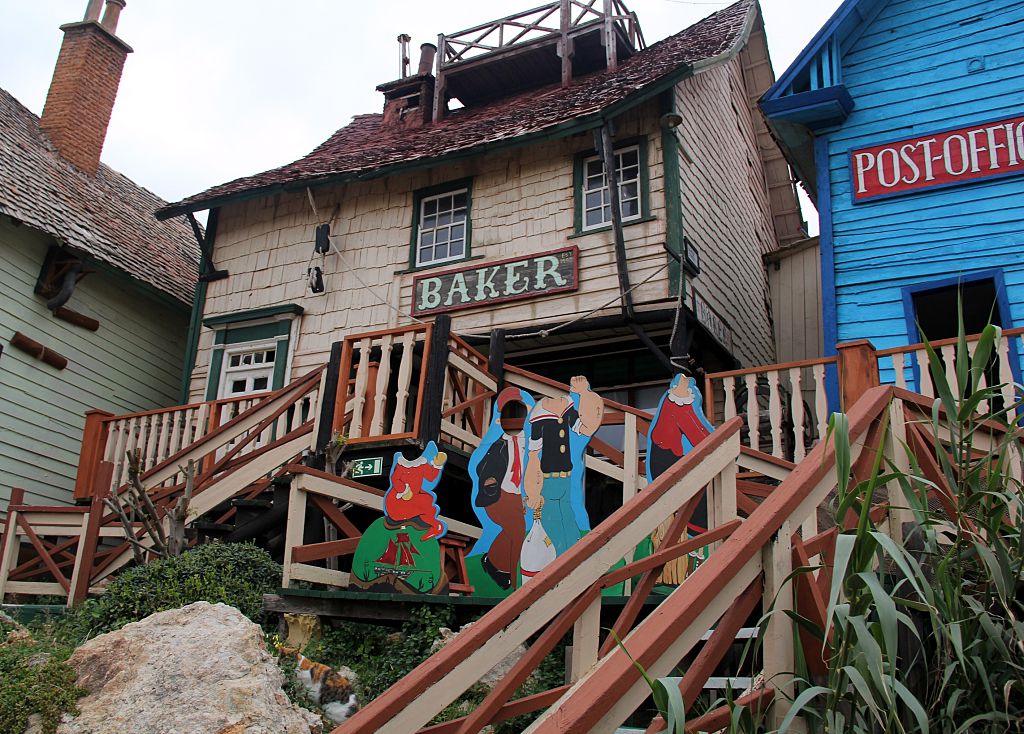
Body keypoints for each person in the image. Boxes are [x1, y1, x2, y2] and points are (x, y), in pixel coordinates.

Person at [523, 375, 604, 556]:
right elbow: (534, 455)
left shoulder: (568, 409)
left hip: (566, 477)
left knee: (568, 518)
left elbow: (586, 428)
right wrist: (533, 490)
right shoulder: (538, 418)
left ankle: (574, 559)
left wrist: (585, 394)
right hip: (548, 480)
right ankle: (557, 563)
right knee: (552, 521)